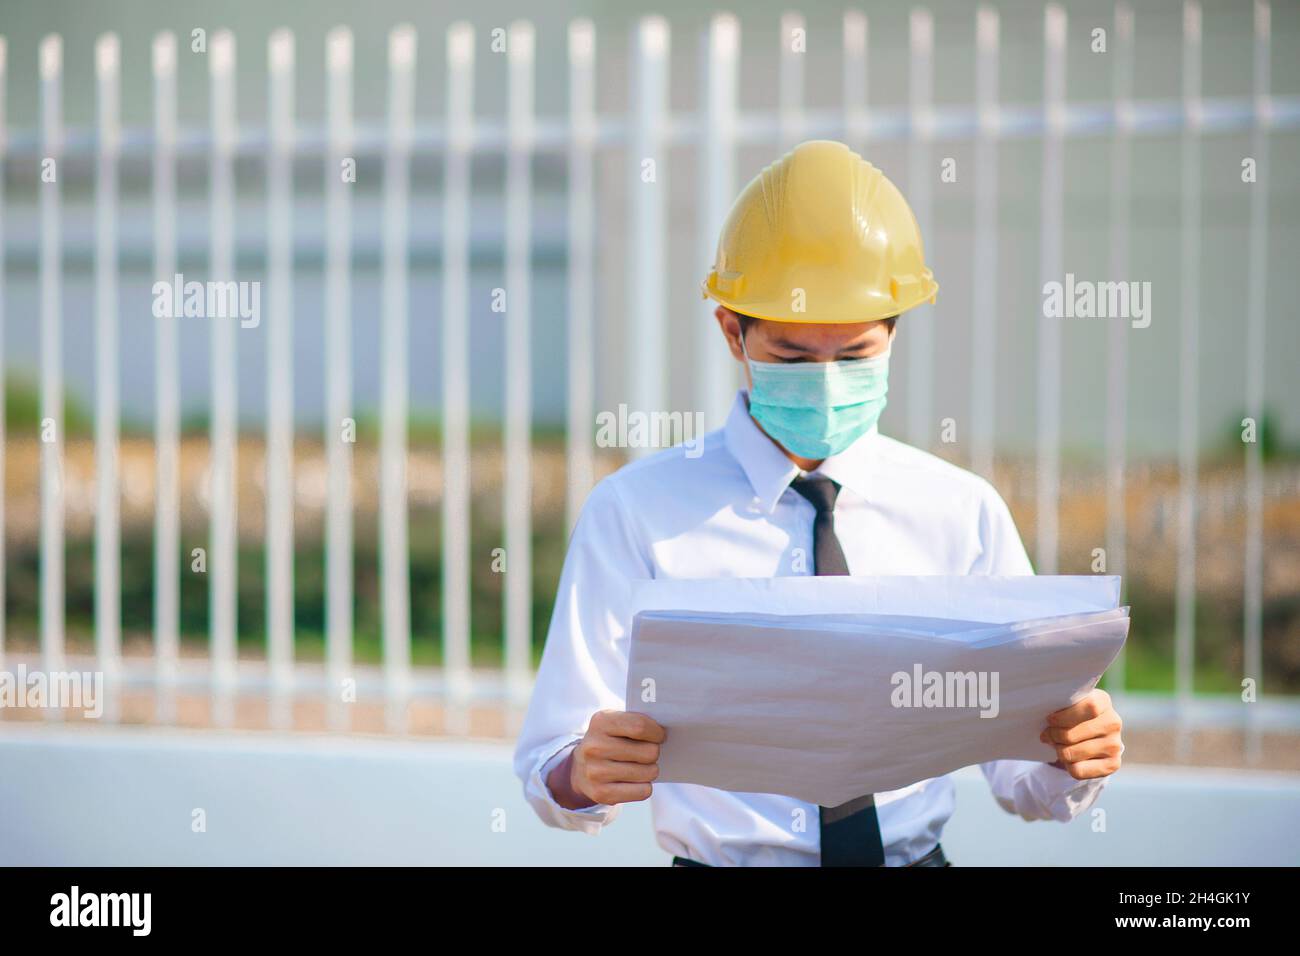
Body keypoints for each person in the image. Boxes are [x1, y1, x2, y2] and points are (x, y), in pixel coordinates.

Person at [513, 139, 1124, 866]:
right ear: (731, 331)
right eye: (795, 358)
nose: (828, 381)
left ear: (895, 332)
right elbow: (552, 762)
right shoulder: (637, 511)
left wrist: (1070, 753)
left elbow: (1024, 780)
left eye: (857, 355)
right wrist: (583, 773)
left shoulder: (961, 512)